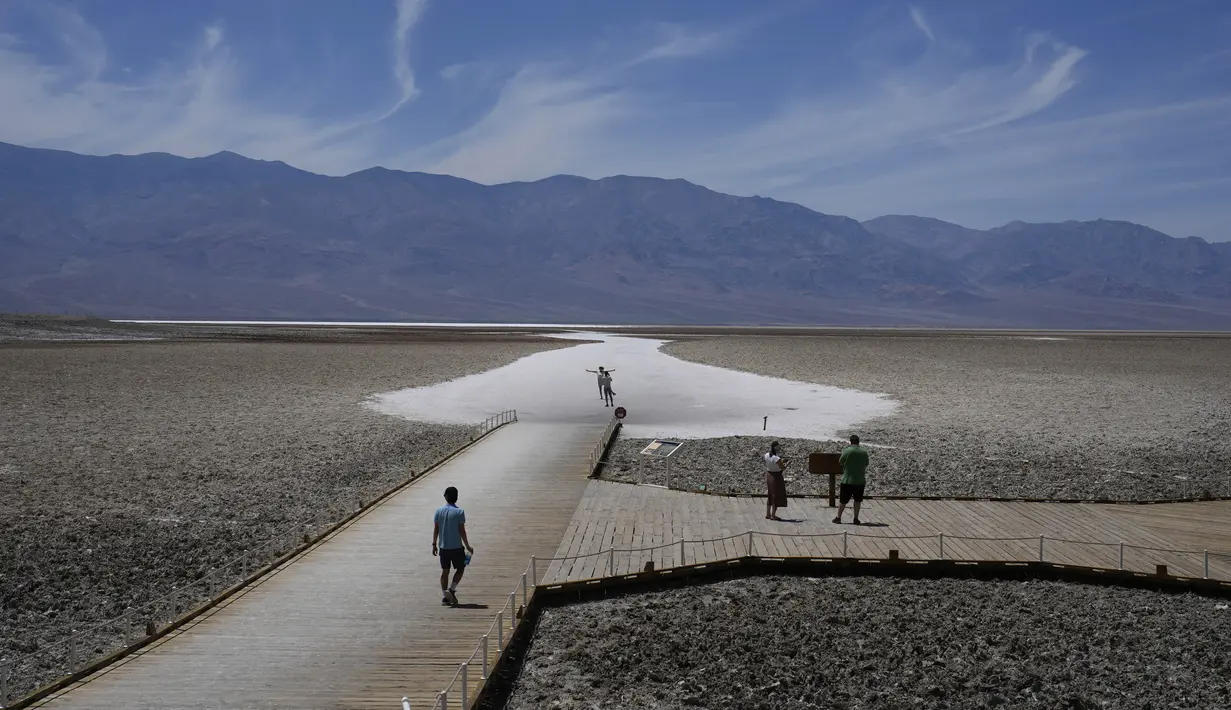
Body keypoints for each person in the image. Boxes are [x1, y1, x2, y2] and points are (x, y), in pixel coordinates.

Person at [432, 486, 474, 606]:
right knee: (461, 569)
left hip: (443, 547)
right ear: (456, 497)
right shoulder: (460, 512)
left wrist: (434, 544)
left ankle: (445, 596)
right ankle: (451, 589)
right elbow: (462, 531)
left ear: (446, 496)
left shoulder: (438, 511)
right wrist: (468, 546)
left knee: (445, 571)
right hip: (456, 547)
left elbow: (436, 529)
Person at [833, 435, 869, 525]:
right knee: (857, 500)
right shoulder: (864, 452)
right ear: (858, 442)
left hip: (847, 480)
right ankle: (856, 518)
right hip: (860, 480)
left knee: (843, 500)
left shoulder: (847, 451)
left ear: (850, 442)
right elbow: (866, 463)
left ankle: (838, 517)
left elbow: (841, 462)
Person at [762, 441, 788, 520]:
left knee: (770, 495)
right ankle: (773, 515)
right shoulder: (776, 458)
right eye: (778, 446)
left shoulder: (766, 455)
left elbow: (772, 463)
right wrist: (787, 464)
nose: (779, 448)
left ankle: (768, 514)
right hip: (776, 476)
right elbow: (782, 468)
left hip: (769, 475)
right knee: (775, 496)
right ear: (775, 447)